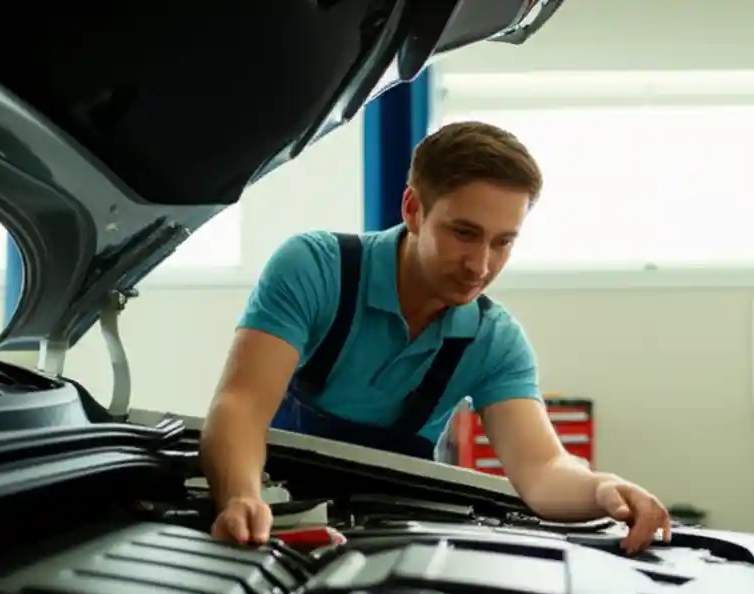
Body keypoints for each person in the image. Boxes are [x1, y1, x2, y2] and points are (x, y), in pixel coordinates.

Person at [199, 120, 672, 556]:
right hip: (273, 526)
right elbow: (240, 405)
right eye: (464, 233)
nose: (480, 265)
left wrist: (601, 488)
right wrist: (240, 496)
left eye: (503, 241)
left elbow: (542, 468)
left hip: (389, 544)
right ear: (413, 209)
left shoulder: (494, 340)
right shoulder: (315, 268)